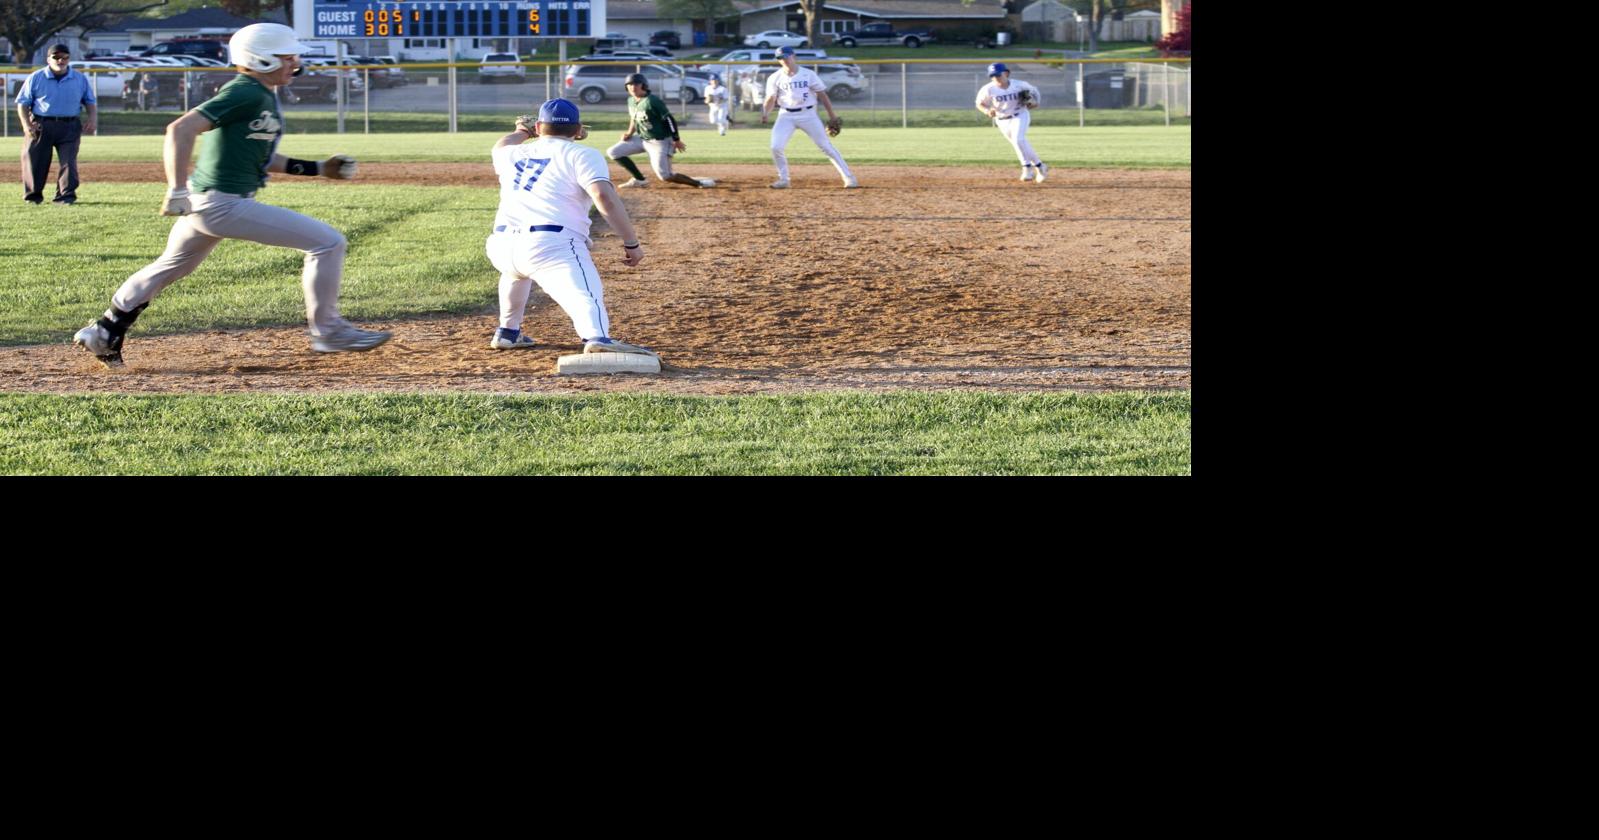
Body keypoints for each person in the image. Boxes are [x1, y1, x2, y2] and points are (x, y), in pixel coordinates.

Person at [70, 23, 390, 369]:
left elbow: (260, 156)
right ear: (262, 60)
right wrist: (175, 188)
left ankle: (104, 330)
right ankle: (328, 330)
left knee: (171, 266)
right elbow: (180, 129)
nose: (295, 62)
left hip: (208, 201)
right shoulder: (247, 92)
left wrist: (317, 169)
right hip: (220, 203)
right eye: (287, 57)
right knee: (328, 243)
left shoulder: (259, 93)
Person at [486, 98, 659, 358]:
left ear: (540, 127)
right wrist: (631, 241)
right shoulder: (582, 153)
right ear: (578, 130)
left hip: (500, 245)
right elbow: (604, 197)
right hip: (551, 245)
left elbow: (502, 143)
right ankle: (597, 336)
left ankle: (508, 332)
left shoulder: (512, 153)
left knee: (515, 273)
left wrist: (523, 131)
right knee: (585, 293)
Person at [760, 46, 856, 190]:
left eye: (786, 56)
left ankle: (849, 177)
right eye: (780, 58)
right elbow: (770, 98)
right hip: (785, 115)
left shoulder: (808, 74)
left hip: (808, 114)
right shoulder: (774, 77)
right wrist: (765, 113)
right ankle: (784, 179)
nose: (784, 60)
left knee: (825, 146)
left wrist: (832, 116)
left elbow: (823, 95)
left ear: (793, 56)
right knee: (776, 147)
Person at [16, 44, 97, 205]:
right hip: (41, 125)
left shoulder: (79, 78)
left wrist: (92, 119)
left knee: (68, 162)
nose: (61, 60)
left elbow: (90, 102)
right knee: (35, 161)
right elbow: (22, 103)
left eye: (65, 57)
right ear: (48, 59)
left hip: (69, 125)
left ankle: (65, 196)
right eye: (56, 57)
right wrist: (26, 125)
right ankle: (33, 196)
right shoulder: (36, 77)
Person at [605, 72, 715, 189]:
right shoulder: (631, 100)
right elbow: (634, 118)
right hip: (641, 138)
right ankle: (639, 179)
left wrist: (676, 139)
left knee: (665, 176)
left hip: (660, 141)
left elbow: (669, 120)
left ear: (644, 85)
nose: (633, 87)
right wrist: (629, 133)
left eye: (636, 84)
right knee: (613, 152)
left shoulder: (652, 101)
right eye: (630, 84)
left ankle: (700, 183)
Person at [975, 63, 1048, 183]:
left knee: (1019, 140)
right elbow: (979, 103)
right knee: (1019, 143)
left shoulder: (1019, 85)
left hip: (1020, 115)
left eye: (998, 74)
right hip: (1001, 120)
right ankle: (1040, 166)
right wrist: (987, 111)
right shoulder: (988, 89)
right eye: (992, 76)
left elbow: (1035, 92)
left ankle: (1026, 168)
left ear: (1006, 73)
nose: (996, 78)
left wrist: (1035, 103)